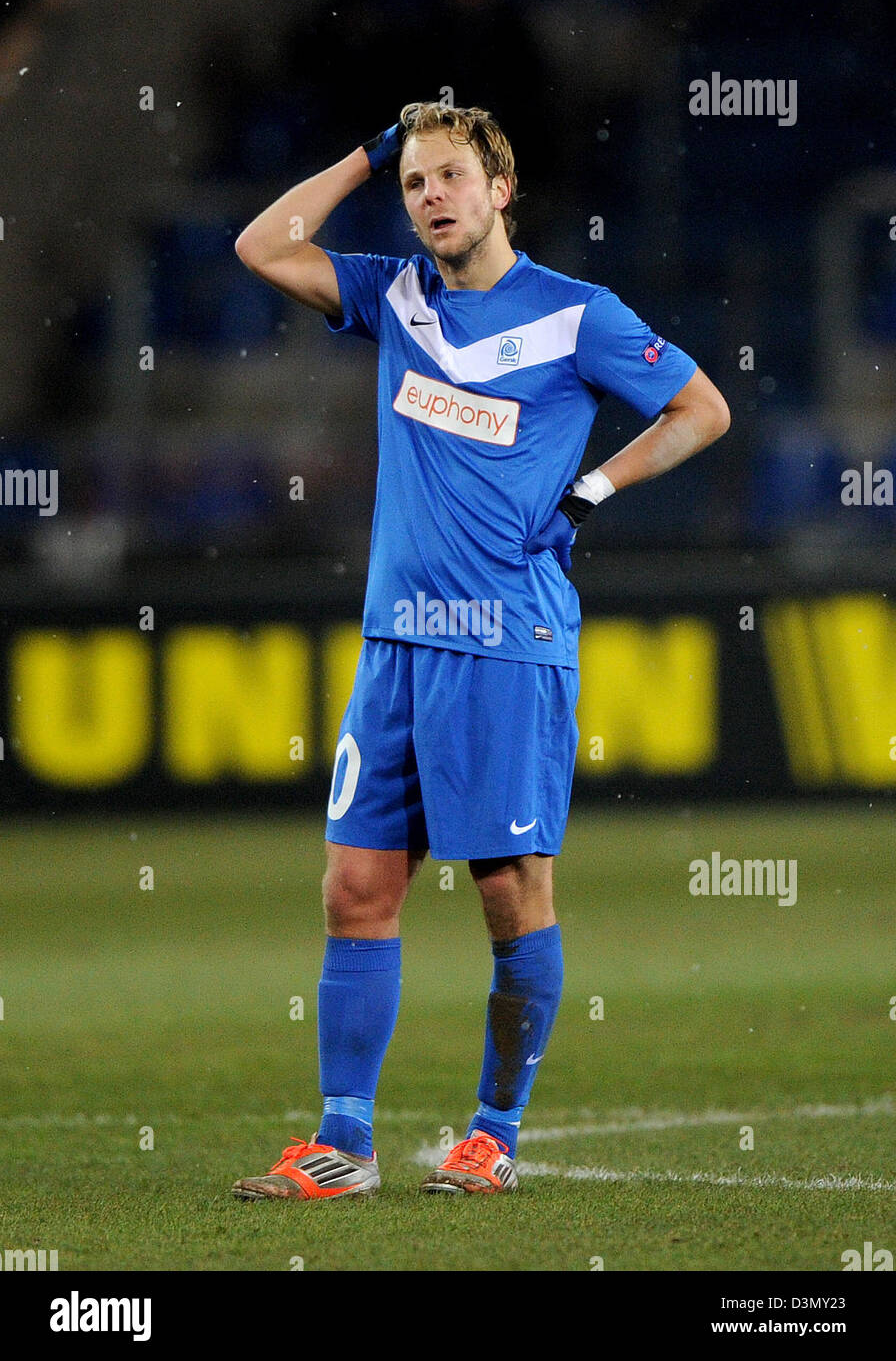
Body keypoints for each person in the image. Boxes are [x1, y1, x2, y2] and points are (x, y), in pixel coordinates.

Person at [231, 101, 729, 1199]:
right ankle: (341, 1142)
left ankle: (491, 1135)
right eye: (413, 184)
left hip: (508, 643)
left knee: (508, 892)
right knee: (354, 890)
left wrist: (594, 487)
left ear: (500, 189)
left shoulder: (576, 315)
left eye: (450, 177)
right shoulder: (392, 295)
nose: (430, 199)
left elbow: (700, 408)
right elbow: (264, 245)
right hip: (395, 648)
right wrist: (367, 150)